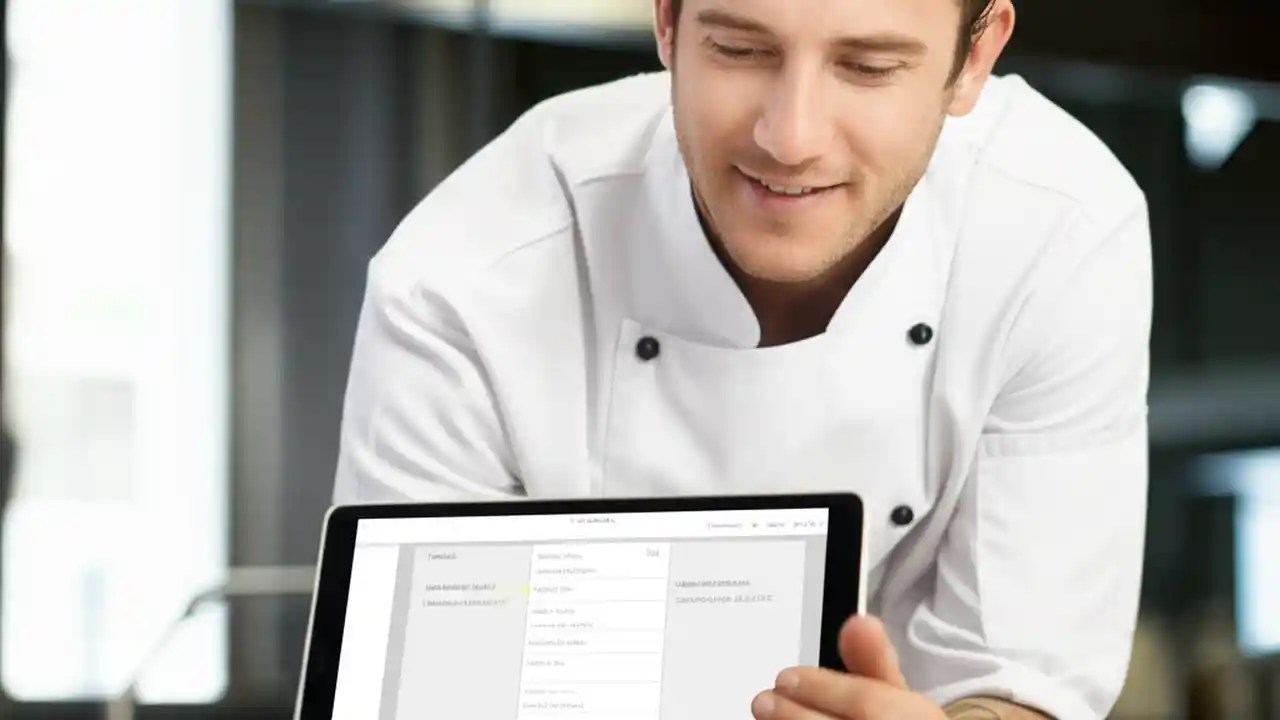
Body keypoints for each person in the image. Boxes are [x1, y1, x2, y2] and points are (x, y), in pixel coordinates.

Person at [332, 0, 1152, 717]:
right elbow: (421, 691)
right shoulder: (466, 276)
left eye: (868, 67)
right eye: (739, 49)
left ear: (974, 57)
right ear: (667, 22)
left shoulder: (1056, 232)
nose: (790, 139)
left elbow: (1020, 674)